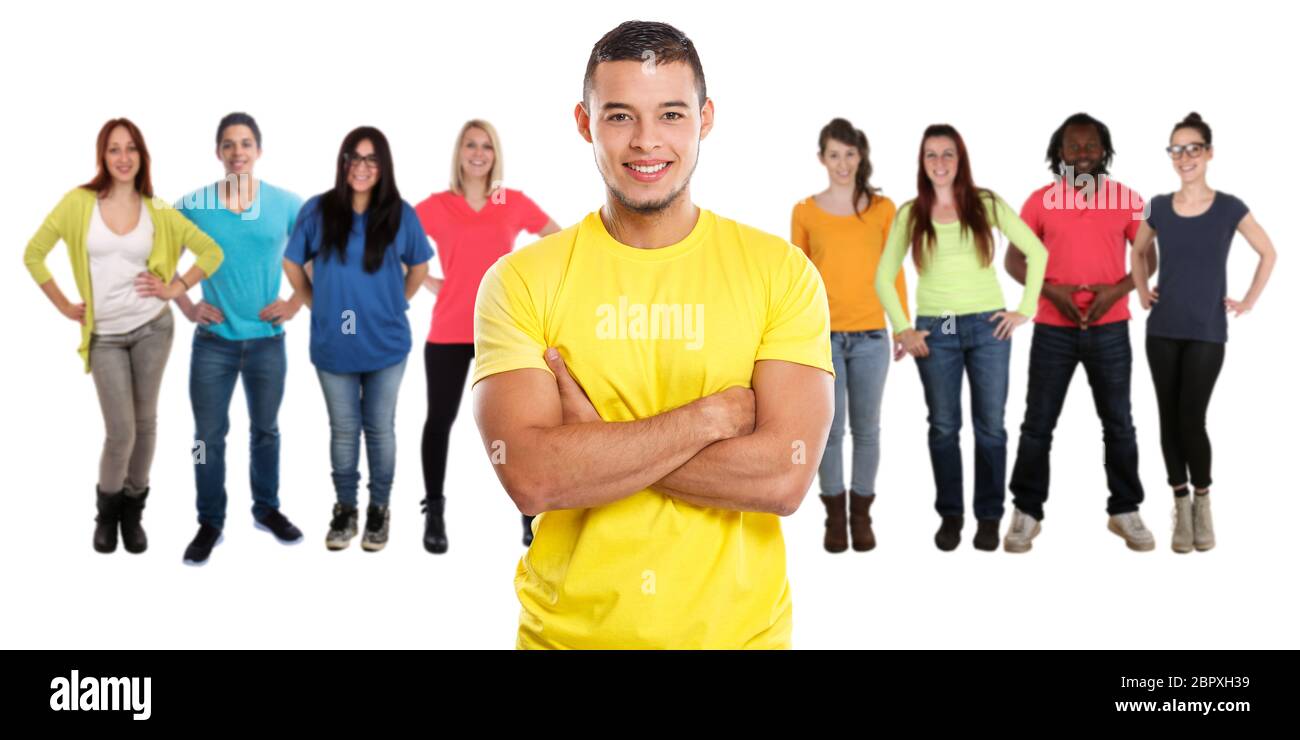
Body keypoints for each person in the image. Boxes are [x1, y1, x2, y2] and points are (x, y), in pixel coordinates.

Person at [471, 21, 834, 648]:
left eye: (670, 113)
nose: (647, 141)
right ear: (585, 122)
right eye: (619, 116)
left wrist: (595, 446)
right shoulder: (520, 280)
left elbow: (783, 478)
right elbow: (530, 476)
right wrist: (707, 419)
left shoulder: (781, 273)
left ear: (706, 117)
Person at [23, 118, 223, 554]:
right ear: (103, 156)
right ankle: (106, 514)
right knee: (121, 432)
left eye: (131, 148)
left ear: (142, 155)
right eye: (114, 149)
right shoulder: (78, 203)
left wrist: (176, 288)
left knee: (146, 424)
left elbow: (211, 251)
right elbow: (34, 254)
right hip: (107, 336)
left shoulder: (160, 210)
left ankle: (134, 512)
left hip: (153, 327)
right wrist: (62, 305)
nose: (123, 157)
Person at [875, 124, 1047, 552]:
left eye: (947, 154)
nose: (939, 163)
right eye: (931, 155)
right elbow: (883, 275)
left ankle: (989, 517)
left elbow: (1037, 251)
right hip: (939, 328)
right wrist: (903, 327)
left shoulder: (985, 203)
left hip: (989, 326)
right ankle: (951, 516)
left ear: (960, 158)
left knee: (990, 428)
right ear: (922, 162)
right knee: (944, 427)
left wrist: (1025, 309)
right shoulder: (911, 212)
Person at [1003, 112, 1157, 553]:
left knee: (1120, 424)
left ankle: (1125, 509)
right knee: (1037, 425)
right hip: (1053, 330)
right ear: (1059, 153)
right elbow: (1015, 261)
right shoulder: (1040, 201)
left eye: (1092, 146)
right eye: (1074, 147)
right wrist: (1051, 292)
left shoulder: (1127, 199)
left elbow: (1149, 258)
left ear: (1104, 152)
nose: (1084, 155)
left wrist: (1117, 292)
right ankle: (1026, 512)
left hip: (1110, 330)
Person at [1132, 112, 1276, 553]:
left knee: (1191, 418)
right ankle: (1180, 505)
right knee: (1167, 419)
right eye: (1177, 150)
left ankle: (1203, 500)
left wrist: (1248, 300)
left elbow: (1268, 253)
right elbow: (1138, 251)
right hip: (1163, 331)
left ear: (1208, 153)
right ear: (1171, 157)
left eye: (1193, 148)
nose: (1185, 157)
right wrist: (1141, 292)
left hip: (1207, 331)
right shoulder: (1156, 205)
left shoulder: (1230, 206)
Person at [283, 126, 432, 552]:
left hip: (386, 347)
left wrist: (394, 302)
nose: (362, 167)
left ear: (382, 167)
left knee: (380, 429)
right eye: (354, 157)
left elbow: (418, 267)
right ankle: (345, 509)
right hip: (333, 346)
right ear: (343, 162)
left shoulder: (400, 214)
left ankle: (379, 510)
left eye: (371, 159)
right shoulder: (317, 211)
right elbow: (292, 263)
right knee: (344, 431)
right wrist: (314, 301)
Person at [414, 119, 559, 553]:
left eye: (487, 147)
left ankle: (531, 515)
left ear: (495, 155)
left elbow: (557, 238)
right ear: (459, 153)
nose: (479, 153)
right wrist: (427, 281)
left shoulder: (510, 202)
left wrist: (529, 287)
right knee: (439, 421)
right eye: (471, 145)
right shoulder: (436, 206)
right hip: (449, 327)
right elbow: (395, 242)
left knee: (520, 426)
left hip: (501, 330)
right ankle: (434, 512)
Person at [174, 112, 307, 565]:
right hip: (213, 342)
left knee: (266, 431)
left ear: (259, 151)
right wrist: (188, 305)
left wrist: (294, 302)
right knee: (206, 436)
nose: (237, 152)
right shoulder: (194, 204)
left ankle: (266, 509)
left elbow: (318, 255)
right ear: (218, 152)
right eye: (228, 144)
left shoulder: (286, 203)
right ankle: (209, 521)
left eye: (246, 143)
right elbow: (160, 257)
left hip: (268, 341)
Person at [791, 117, 906, 553]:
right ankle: (834, 516)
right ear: (822, 158)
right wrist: (797, 338)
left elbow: (892, 271)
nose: (842, 163)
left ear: (861, 156)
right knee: (830, 430)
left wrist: (903, 324)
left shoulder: (883, 209)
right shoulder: (804, 210)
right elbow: (797, 280)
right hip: (824, 337)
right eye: (834, 155)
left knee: (868, 428)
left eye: (850, 154)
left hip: (873, 335)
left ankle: (862, 514)